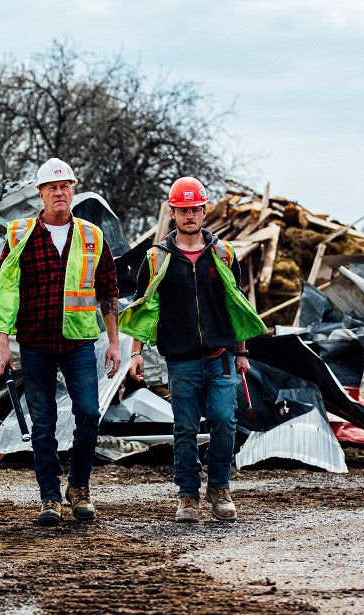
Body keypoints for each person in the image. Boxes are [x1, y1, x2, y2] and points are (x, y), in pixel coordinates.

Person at [0, 158, 120, 527]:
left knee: (88, 412)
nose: (59, 193)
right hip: (36, 341)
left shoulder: (92, 236)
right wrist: (2, 342)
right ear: (40, 194)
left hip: (79, 341)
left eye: (65, 186)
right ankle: (50, 496)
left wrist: (114, 342)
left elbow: (108, 292)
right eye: (52, 188)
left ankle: (79, 486)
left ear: (73, 191)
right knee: (43, 423)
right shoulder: (19, 234)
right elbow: (4, 292)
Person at [119, 176, 266, 523]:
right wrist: (136, 353)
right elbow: (144, 309)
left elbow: (236, 306)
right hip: (181, 360)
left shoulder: (223, 254)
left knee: (224, 421)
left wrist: (242, 352)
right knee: (184, 428)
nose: (189, 216)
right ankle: (187, 495)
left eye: (195, 209)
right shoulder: (157, 258)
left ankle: (219, 488)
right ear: (172, 212)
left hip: (220, 358)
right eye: (183, 210)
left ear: (204, 211)